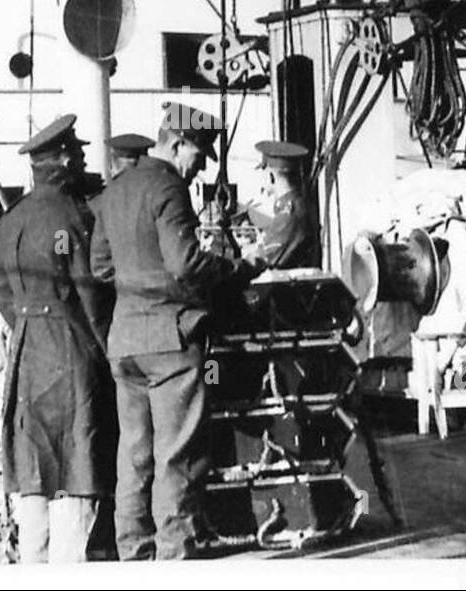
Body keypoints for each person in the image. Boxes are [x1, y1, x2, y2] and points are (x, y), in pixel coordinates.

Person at [90, 102, 262, 560]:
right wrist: (236, 269)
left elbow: (100, 267)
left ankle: (135, 553)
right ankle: (174, 561)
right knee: (178, 457)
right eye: (199, 153)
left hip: (124, 342)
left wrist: (140, 286)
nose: (201, 164)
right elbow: (185, 262)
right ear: (176, 143)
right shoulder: (168, 187)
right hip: (171, 342)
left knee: (134, 455)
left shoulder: (116, 189)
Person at [0, 115, 115, 564]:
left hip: (25, 355)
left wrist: (31, 322)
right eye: (77, 154)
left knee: (35, 480)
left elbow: (5, 296)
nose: (82, 160)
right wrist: (109, 353)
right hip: (68, 352)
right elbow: (90, 292)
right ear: (62, 160)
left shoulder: (9, 222)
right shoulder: (70, 216)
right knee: (76, 474)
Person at [243, 140, 322, 269]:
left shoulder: (290, 213)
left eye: (262, 171)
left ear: (271, 176)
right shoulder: (298, 205)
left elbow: (264, 261)